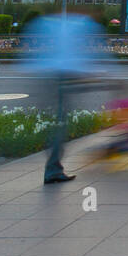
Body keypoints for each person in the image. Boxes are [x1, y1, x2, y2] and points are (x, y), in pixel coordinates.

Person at [24, 12, 104, 185]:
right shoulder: (84, 23)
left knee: (58, 121)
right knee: (60, 123)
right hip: (62, 75)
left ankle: (53, 167)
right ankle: (53, 169)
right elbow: (92, 53)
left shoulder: (46, 21)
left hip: (50, 75)